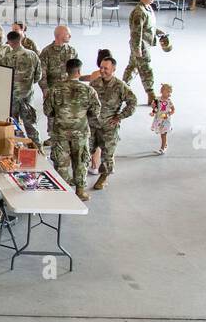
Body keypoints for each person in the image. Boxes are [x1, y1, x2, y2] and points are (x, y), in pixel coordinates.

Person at [43, 58, 101, 201]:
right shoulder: (89, 90)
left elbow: (47, 111)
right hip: (80, 133)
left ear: (66, 71)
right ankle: (80, 191)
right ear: (79, 72)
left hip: (60, 133)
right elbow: (95, 112)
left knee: (61, 163)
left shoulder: (55, 89)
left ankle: (62, 192)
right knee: (81, 161)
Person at [87, 56, 136, 190]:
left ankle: (103, 177)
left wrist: (120, 116)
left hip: (109, 127)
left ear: (113, 69)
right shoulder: (94, 83)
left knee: (107, 154)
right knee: (85, 151)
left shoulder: (120, 86)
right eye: (101, 68)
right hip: (92, 125)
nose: (102, 70)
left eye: (106, 68)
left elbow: (133, 102)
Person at [5, 30, 43, 147]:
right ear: (20, 40)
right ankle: (37, 149)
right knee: (30, 124)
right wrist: (28, 84)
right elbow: (38, 75)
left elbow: (5, 76)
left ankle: (15, 148)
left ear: (10, 42)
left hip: (13, 97)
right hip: (28, 96)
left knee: (12, 124)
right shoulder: (32, 55)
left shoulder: (8, 57)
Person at [126, 0, 159, 105]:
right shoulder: (139, 12)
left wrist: (159, 33)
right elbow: (136, 32)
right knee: (146, 69)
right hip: (141, 46)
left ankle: (122, 88)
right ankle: (151, 94)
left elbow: (149, 27)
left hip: (145, 44)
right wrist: (137, 49)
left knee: (132, 67)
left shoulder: (148, 9)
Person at [38, 24, 78, 104]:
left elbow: (76, 71)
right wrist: (45, 90)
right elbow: (42, 73)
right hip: (53, 91)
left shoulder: (72, 51)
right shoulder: (47, 52)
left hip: (68, 91)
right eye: (68, 34)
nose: (70, 36)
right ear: (60, 35)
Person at [150, 83, 175, 155]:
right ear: (162, 91)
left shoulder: (169, 101)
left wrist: (168, 114)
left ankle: (162, 148)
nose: (169, 94)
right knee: (161, 133)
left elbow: (173, 110)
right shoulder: (157, 99)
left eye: (170, 92)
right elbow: (155, 108)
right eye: (167, 91)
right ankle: (165, 145)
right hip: (159, 119)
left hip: (165, 120)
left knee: (163, 134)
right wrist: (153, 110)